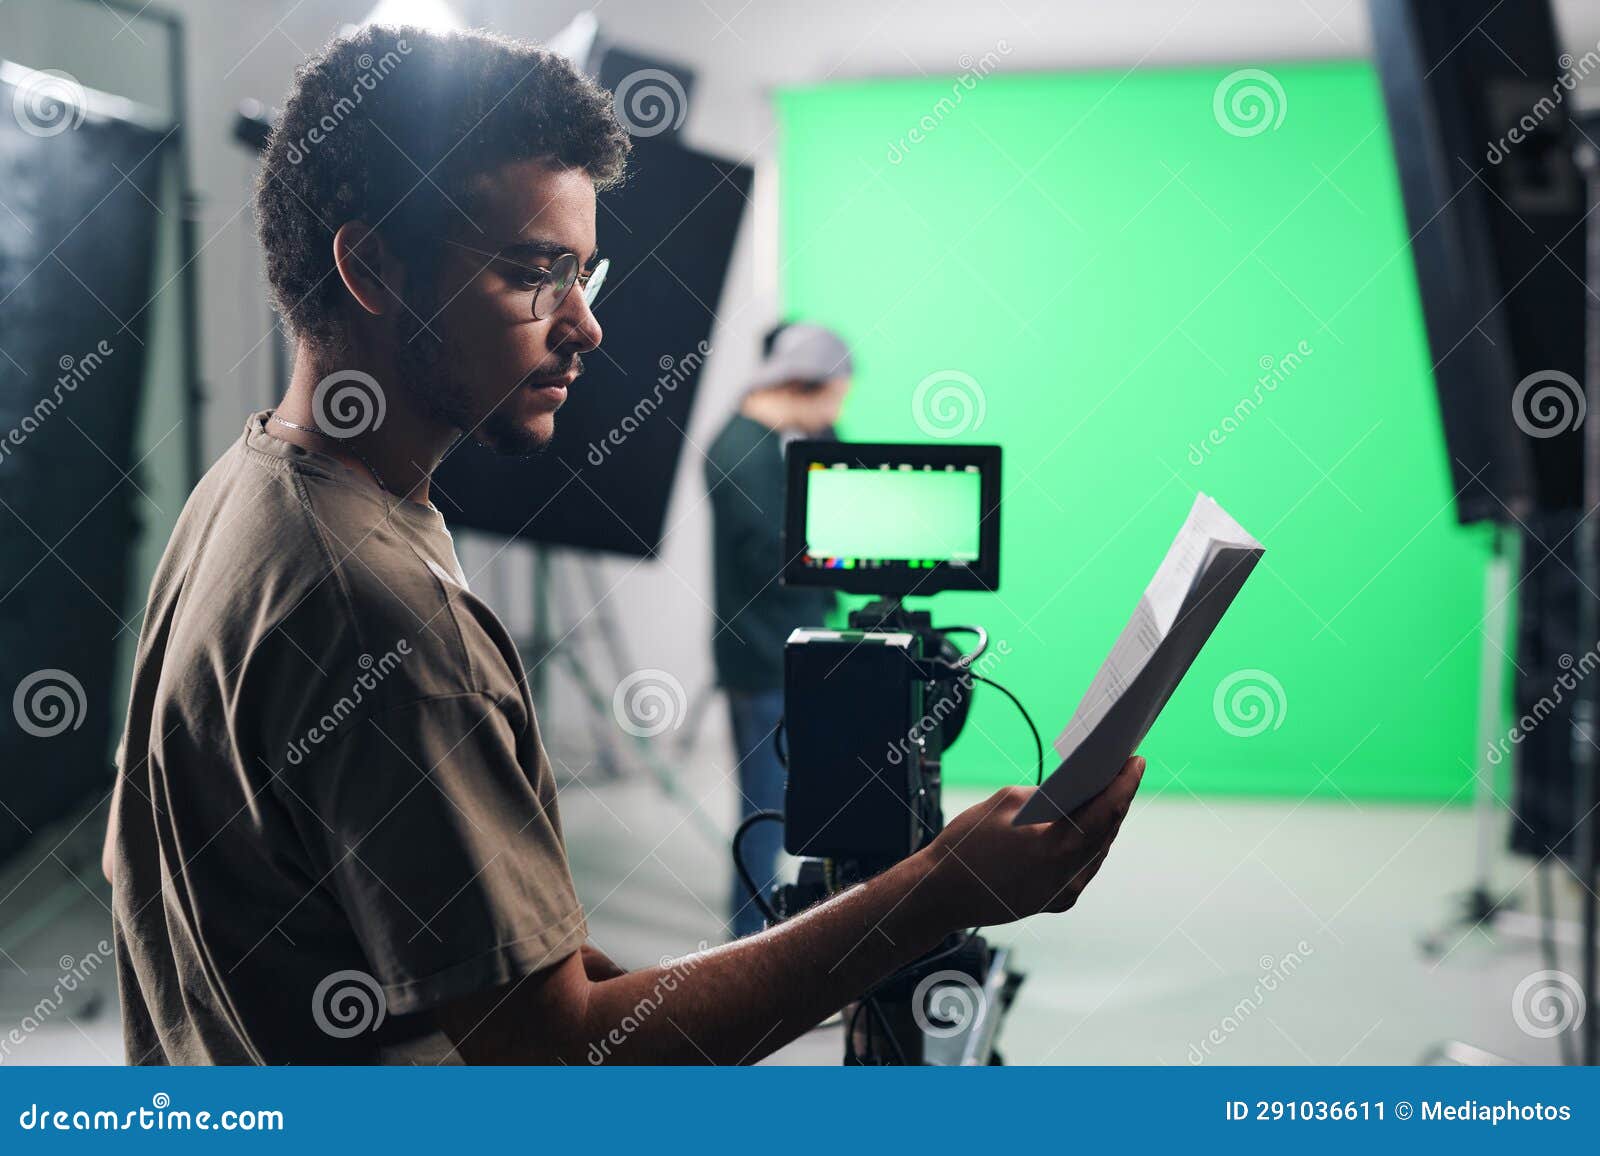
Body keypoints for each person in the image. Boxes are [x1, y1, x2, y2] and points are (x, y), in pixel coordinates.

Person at [102, 25, 1145, 1065]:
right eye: (534, 272)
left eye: (584, 277)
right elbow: (563, 1063)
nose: (585, 327)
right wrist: (933, 895)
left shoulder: (238, 496)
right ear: (371, 266)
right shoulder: (389, 623)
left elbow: (486, 980)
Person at [706, 323, 852, 937]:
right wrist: (844, 552)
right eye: (834, 397)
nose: (837, 413)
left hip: (791, 654)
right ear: (802, 385)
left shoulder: (775, 440)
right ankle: (747, 949)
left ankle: (778, 938)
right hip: (763, 664)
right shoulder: (743, 452)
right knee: (764, 816)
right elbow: (776, 558)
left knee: (794, 807)